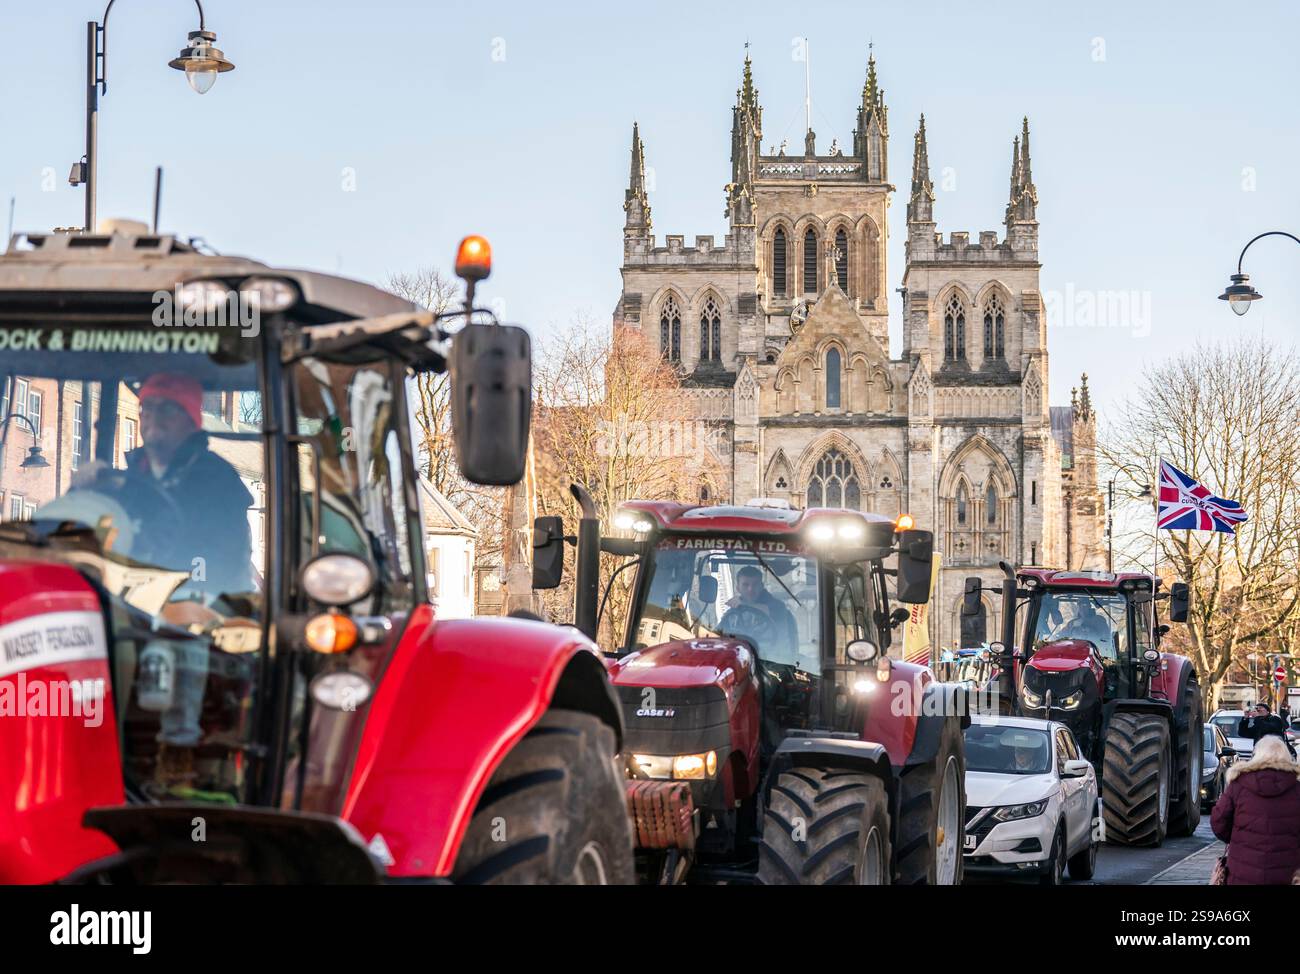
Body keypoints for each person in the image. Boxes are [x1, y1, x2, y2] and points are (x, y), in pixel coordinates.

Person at [1210, 734, 1300, 884]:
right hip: (1286, 873)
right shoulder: (1296, 789)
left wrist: (1238, 838)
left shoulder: (1239, 784)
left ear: (1257, 755)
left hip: (1242, 872)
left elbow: (1218, 822)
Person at [720, 565, 800, 662]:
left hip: (777, 663)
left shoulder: (778, 606)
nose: (750, 589)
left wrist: (743, 604)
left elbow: (767, 610)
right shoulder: (734, 613)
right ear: (738, 588)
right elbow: (717, 634)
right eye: (745, 585)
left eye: (755, 584)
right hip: (744, 662)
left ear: (761, 586)